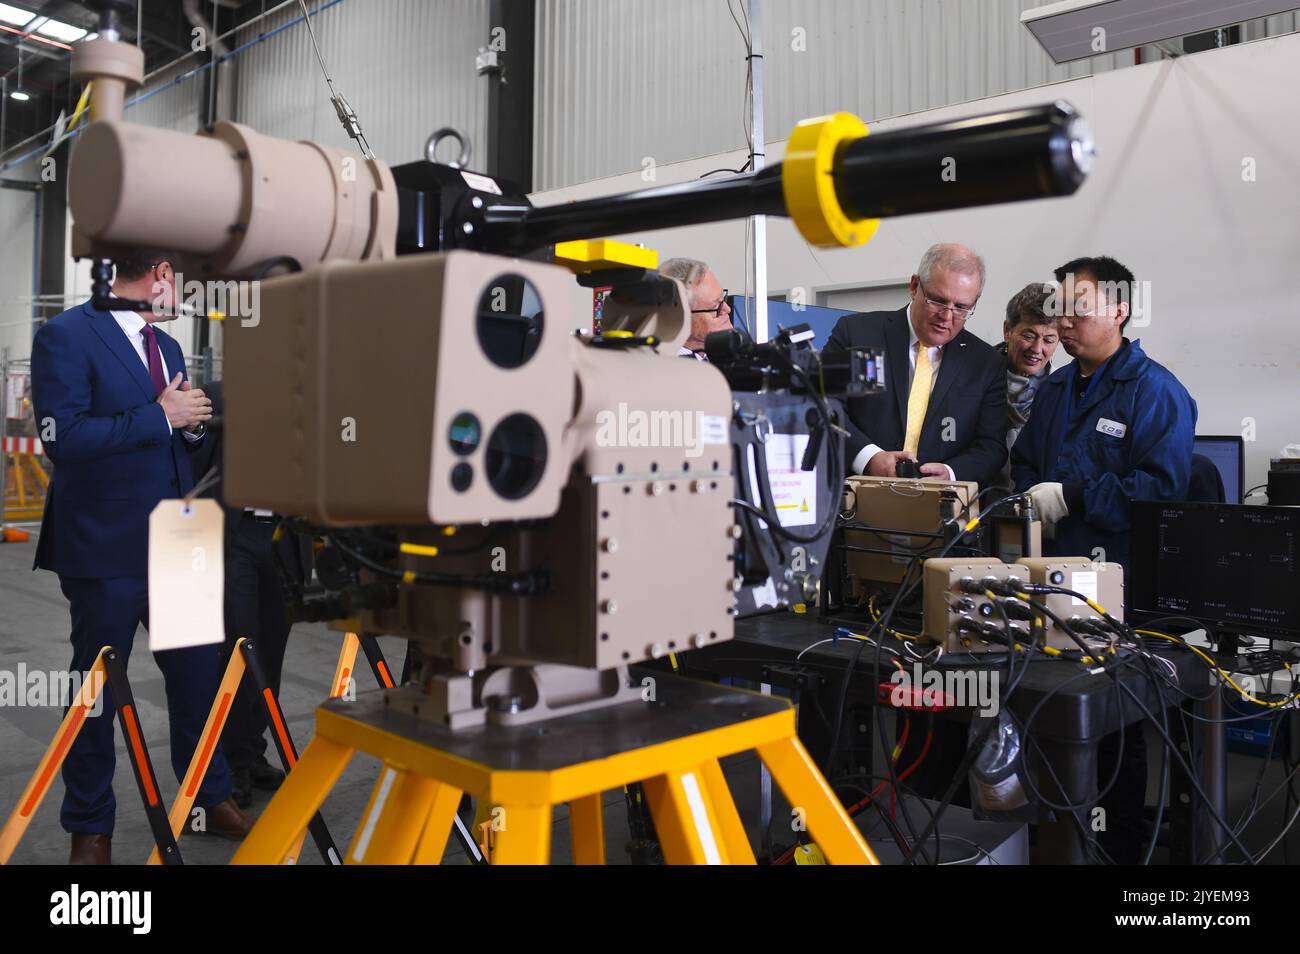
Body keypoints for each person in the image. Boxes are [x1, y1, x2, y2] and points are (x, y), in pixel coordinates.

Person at [30, 249, 252, 864]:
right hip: (106, 546)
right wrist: (160, 416)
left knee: (197, 681)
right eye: (183, 280)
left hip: (180, 538)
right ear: (159, 274)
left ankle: (208, 795)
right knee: (97, 691)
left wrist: (191, 424)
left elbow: (171, 436)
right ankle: (90, 828)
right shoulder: (66, 336)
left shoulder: (170, 349)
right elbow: (62, 439)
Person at [1011, 255, 1196, 865]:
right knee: (1044, 712)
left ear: (1119, 311)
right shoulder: (1058, 388)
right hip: (1049, 582)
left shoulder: (1157, 392)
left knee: (1114, 730)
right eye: (1059, 309)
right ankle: (1052, 843)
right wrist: (1030, 501)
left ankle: (1115, 854)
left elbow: (1161, 491)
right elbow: (1028, 467)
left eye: (1078, 310)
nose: (1063, 324)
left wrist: (1076, 495)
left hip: (1119, 591)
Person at [187, 380, 298, 809]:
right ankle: (227, 766)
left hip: (285, 538)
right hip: (233, 538)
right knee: (237, 651)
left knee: (270, 654)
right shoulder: (217, 394)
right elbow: (195, 463)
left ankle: (252, 754)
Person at [822, 243, 1007, 488]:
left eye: (961, 307)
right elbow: (824, 406)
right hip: (853, 498)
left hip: (940, 512)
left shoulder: (986, 363)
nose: (947, 316)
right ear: (914, 286)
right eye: (938, 301)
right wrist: (868, 457)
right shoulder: (856, 335)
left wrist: (952, 473)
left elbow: (991, 446)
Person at [998, 282, 1060, 486]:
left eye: (1049, 340)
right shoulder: (976, 378)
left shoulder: (1062, 390)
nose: (1037, 348)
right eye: (1029, 336)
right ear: (1008, 330)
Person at [658, 257, 732, 360]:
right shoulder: (656, 365)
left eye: (723, 299)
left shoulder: (732, 360)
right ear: (680, 316)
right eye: (714, 306)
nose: (727, 309)